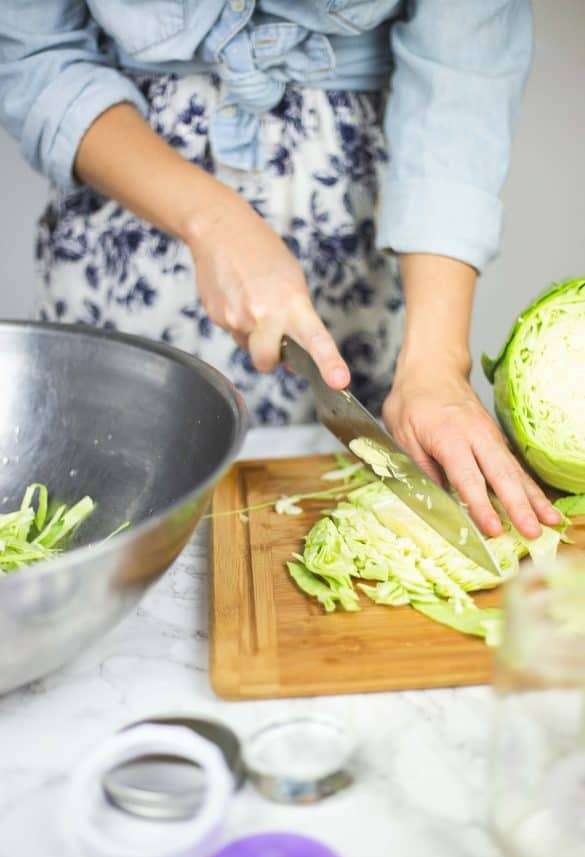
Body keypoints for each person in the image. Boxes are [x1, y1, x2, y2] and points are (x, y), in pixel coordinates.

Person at [0, 1, 561, 539]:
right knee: (104, 498)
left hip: (348, 227)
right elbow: (30, 52)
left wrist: (437, 362)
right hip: (130, 198)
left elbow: (464, 64)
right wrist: (212, 221)